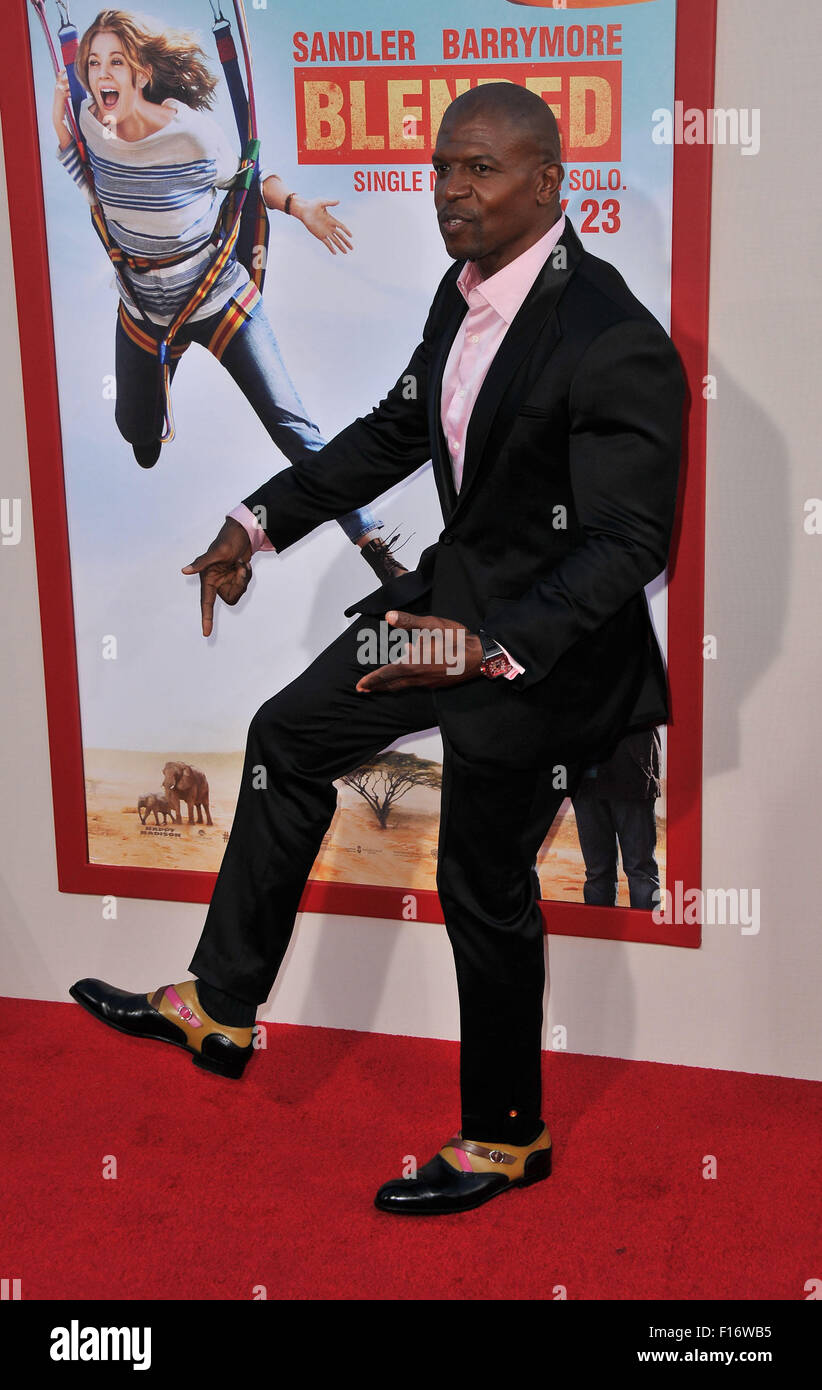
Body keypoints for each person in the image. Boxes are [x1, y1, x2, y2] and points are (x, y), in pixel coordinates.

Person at [70, 83, 686, 1216]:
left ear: (550, 183)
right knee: (289, 734)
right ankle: (220, 1004)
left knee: (480, 883)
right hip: (450, 601)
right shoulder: (463, 298)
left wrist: (487, 643)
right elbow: (398, 429)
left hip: (546, 651)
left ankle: (507, 1138)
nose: (451, 190)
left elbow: (631, 545)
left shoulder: (614, 339)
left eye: (481, 170)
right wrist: (255, 522)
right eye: (443, 167)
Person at [51, 8, 403, 581]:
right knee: (139, 436)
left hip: (217, 297)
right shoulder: (90, 123)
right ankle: (149, 419)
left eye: (116, 60)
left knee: (291, 423)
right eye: (93, 63)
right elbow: (95, 178)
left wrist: (297, 206)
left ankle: (371, 542)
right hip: (146, 309)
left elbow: (248, 179)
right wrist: (62, 127)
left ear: (140, 72)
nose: (102, 73)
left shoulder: (189, 134)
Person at [572, 728, 663, 909]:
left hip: (631, 771)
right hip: (585, 779)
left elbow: (653, 706)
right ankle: (599, 935)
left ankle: (646, 935)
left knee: (640, 870)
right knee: (598, 873)